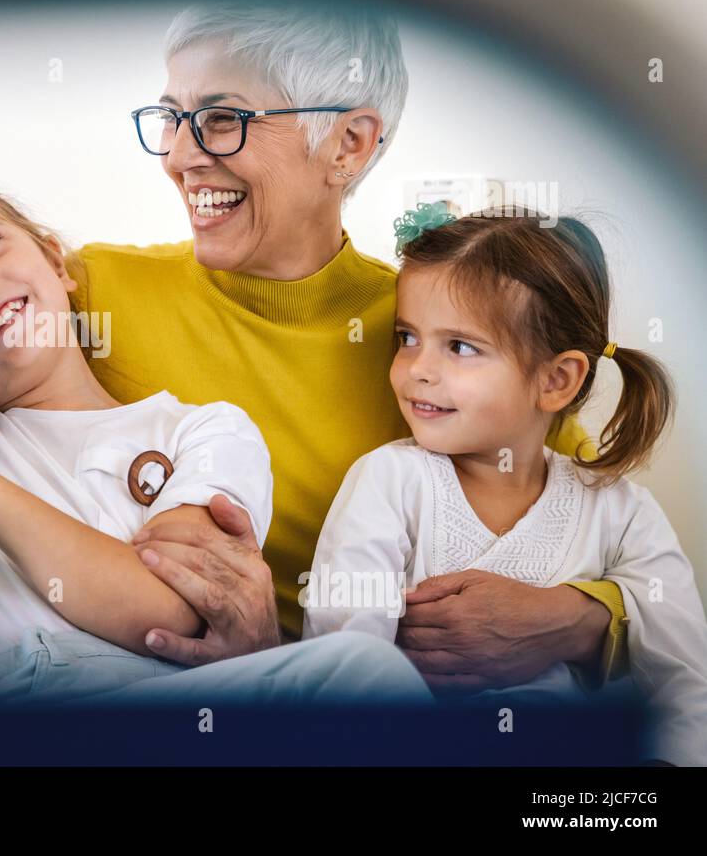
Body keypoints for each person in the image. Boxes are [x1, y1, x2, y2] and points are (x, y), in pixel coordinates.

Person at [67, 0, 629, 690]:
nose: (181, 158)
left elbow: (595, 518)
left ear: (349, 145)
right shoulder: (93, 292)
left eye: (221, 119)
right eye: (173, 119)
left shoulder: (441, 337)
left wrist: (579, 617)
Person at [0, 171, 429, 704]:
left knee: (367, 671)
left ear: (56, 261)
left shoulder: (204, 432)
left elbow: (173, 610)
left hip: (153, 698)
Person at [302, 205, 707, 765]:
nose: (416, 367)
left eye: (460, 347)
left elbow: (686, 686)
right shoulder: (390, 480)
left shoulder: (621, 510)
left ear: (556, 380)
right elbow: (344, 657)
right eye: (407, 337)